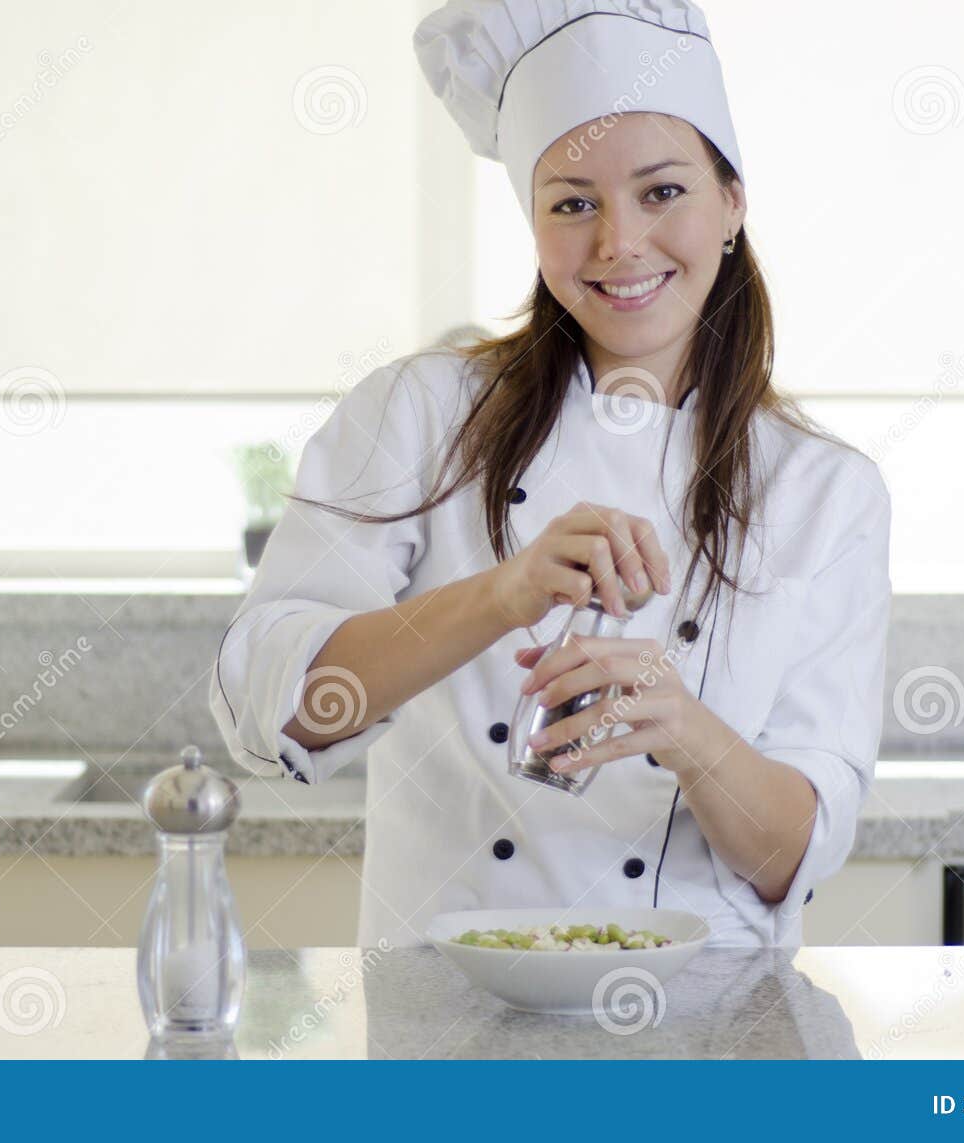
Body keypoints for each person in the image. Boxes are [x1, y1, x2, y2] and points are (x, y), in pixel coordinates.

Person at [212, 0, 892, 948]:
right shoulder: (419, 415)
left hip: (704, 1041)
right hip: (449, 1034)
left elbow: (794, 853)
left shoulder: (824, 492)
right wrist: (502, 594)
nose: (619, 244)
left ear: (732, 202)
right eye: (573, 203)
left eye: (662, 192)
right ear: (534, 225)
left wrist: (684, 729)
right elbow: (269, 709)